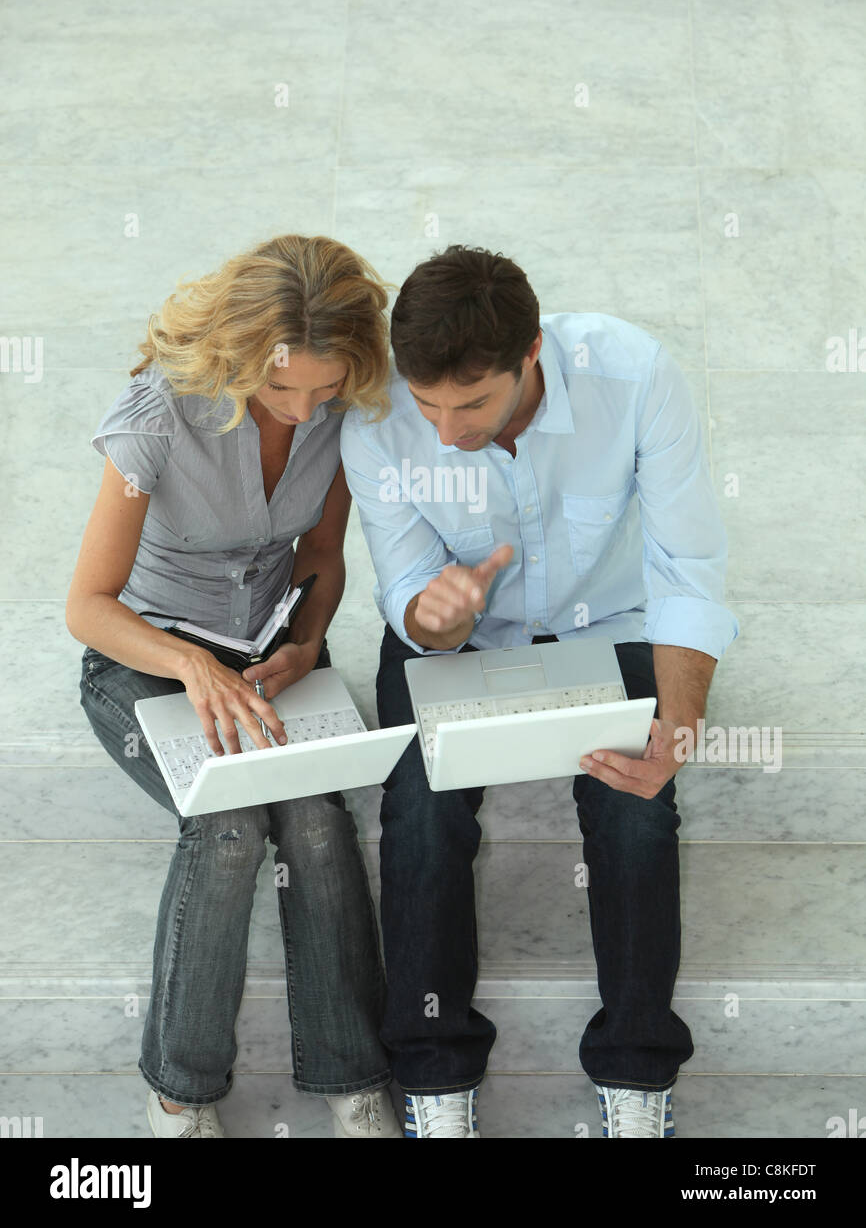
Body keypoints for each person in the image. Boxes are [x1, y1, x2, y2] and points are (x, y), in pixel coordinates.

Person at [340, 243, 739, 1138]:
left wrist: (678, 728)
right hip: (455, 639)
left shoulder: (632, 374)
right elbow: (408, 596)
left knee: (637, 803)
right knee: (420, 805)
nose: (445, 430)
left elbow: (687, 567)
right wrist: (438, 615)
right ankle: (436, 1080)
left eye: (471, 403)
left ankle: (638, 1071)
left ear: (530, 357)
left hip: (609, 619)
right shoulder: (374, 423)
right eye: (427, 405)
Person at [67, 233, 403, 1139]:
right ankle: (180, 1092)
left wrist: (308, 639)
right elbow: (88, 606)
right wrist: (191, 667)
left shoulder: (340, 410)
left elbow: (324, 559)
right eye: (281, 386)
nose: (303, 409)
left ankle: (353, 1076)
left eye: (323, 390)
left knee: (319, 825)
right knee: (224, 827)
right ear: (242, 351)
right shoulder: (155, 418)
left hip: (271, 648)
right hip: (145, 656)